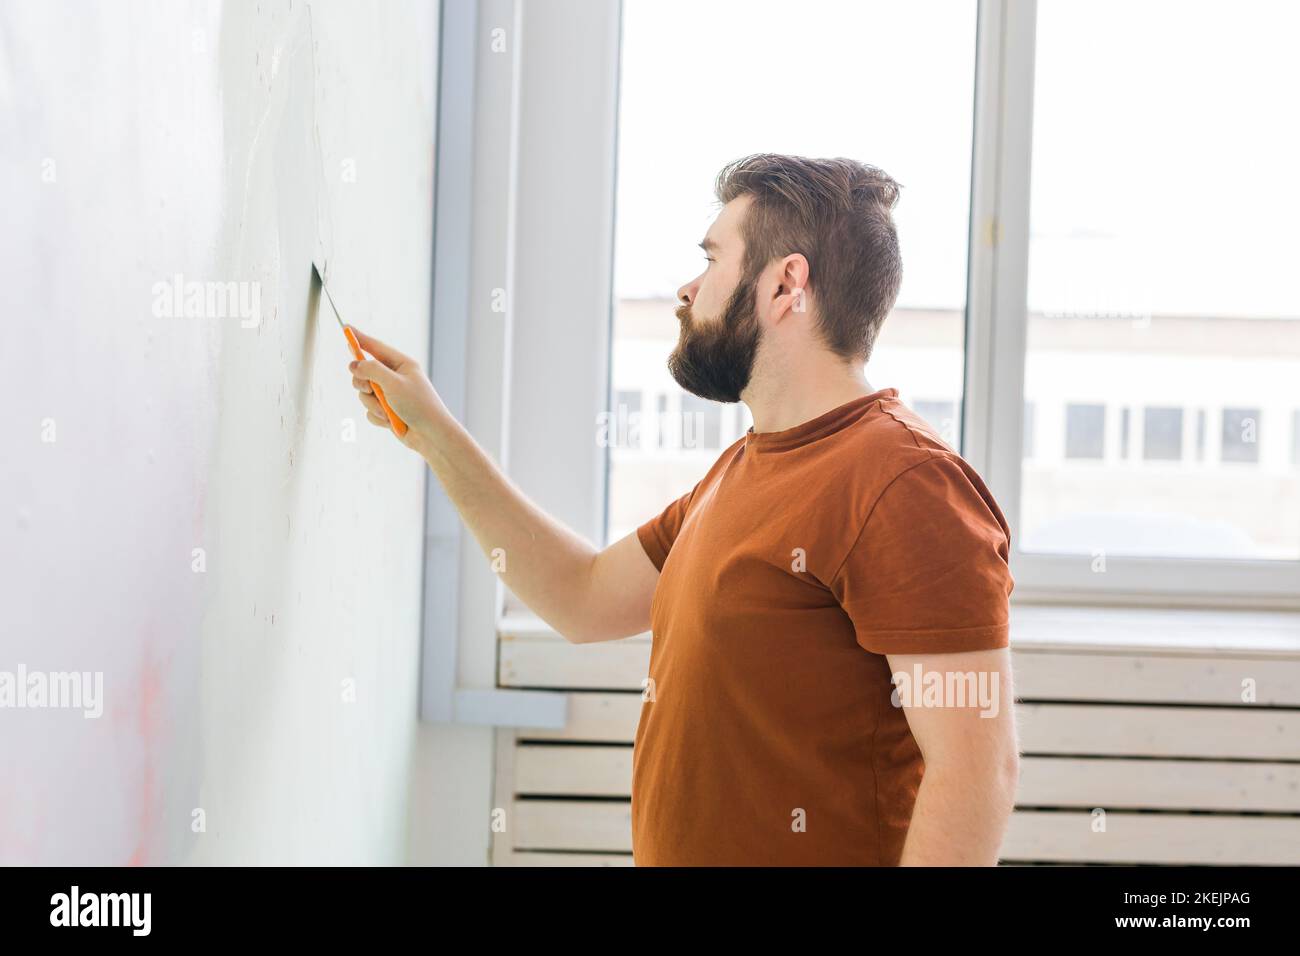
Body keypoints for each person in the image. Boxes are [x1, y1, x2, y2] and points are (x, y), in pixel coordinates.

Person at [348, 153, 1020, 866]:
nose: (687, 288)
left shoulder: (906, 483)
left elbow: (976, 774)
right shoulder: (742, 468)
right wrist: (435, 436)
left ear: (787, 284)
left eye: (712, 260)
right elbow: (582, 597)